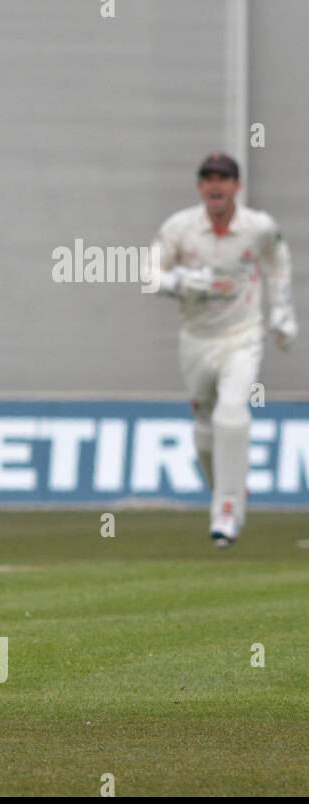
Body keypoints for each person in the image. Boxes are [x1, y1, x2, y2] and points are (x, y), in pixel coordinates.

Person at [149, 152, 295, 547]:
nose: (216, 185)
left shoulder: (258, 227)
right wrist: (180, 283)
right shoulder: (180, 228)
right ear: (199, 187)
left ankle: (227, 510)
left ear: (237, 186)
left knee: (232, 412)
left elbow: (279, 260)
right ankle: (226, 490)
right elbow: (149, 274)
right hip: (197, 340)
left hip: (242, 337)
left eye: (224, 179)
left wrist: (283, 310)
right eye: (208, 178)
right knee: (204, 431)